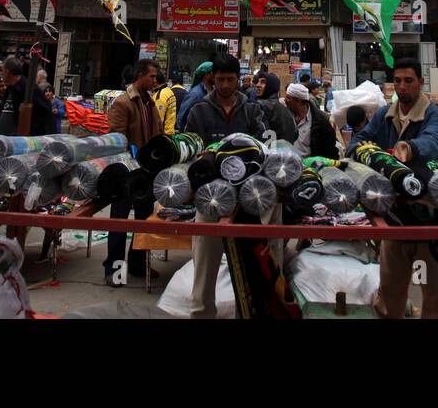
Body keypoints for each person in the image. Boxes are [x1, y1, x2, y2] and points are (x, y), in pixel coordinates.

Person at [348, 58, 438, 319]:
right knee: (390, 295)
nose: (402, 86)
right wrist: (366, 151)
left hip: (427, 223)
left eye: (408, 80)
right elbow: (357, 141)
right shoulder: (385, 116)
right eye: (397, 81)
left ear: (421, 82)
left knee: (433, 297)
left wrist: (409, 149)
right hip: (393, 220)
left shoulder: (435, 115)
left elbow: (436, 142)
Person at [184, 55, 276, 318]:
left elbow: (263, 149)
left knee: (248, 267)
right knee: (204, 265)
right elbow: (191, 151)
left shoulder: (251, 110)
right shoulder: (199, 110)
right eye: (220, 79)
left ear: (238, 79)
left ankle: (246, 314)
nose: (224, 84)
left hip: (246, 200)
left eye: (230, 79)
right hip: (209, 199)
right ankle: (201, 315)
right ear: (213, 78)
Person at [104, 58, 163, 285]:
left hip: (146, 173)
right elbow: (117, 139)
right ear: (140, 76)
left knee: (143, 220)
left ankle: (137, 265)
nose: (155, 80)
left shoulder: (149, 102)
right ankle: (114, 270)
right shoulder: (123, 103)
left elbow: (156, 131)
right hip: (126, 173)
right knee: (119, 221)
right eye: (152, 76)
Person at [283, 83, 337, 158]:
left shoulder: (320, 120)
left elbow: (329, 148)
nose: (285, 100)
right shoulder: (283, 115)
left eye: (288, 98)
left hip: (311, 167)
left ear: (298, 101)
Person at [255, 72, 296, 141]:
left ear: (271, 86)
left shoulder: (260, 106)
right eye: (258, 82)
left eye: (263, 82)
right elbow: (295, 134)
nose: (257, 85)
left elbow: (260, 136)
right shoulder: (286, 110)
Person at [175, 61, 214, 130]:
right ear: (206, 75)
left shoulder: (213, 92)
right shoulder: (195, 94)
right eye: (213, 72)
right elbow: (180, 119)